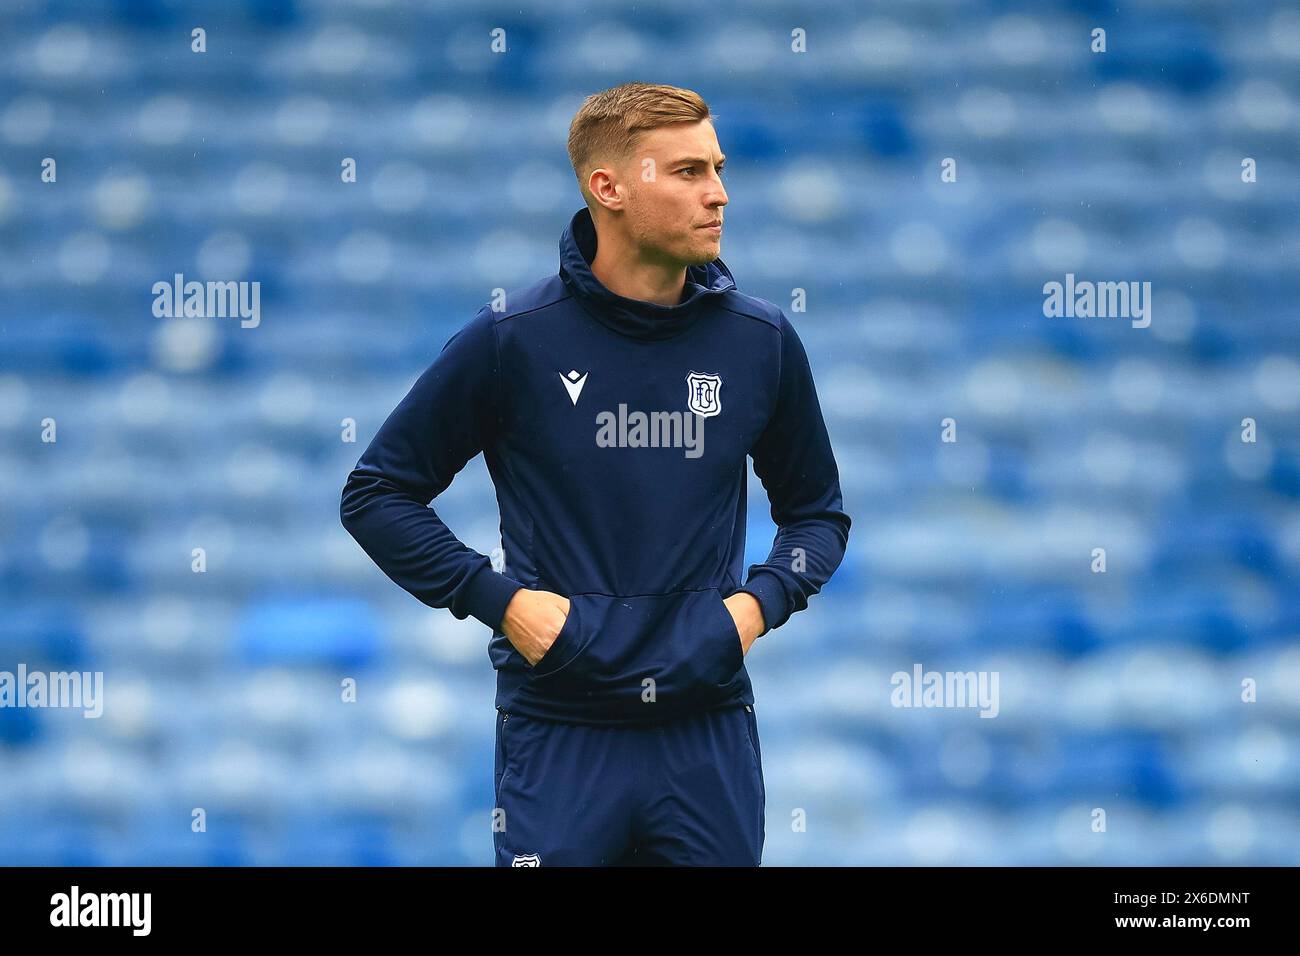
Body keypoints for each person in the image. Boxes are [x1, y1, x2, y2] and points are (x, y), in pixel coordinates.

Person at [340, 81, 851, 866]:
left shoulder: (762, 341)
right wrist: (503, 603)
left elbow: (818, 514)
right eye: (685, 172)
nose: (718, 194)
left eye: (716, 169)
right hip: (560, 729)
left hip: (705, 731)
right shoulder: (514, 341)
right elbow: (377, 494)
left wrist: (750, 610)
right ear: (606, 187)